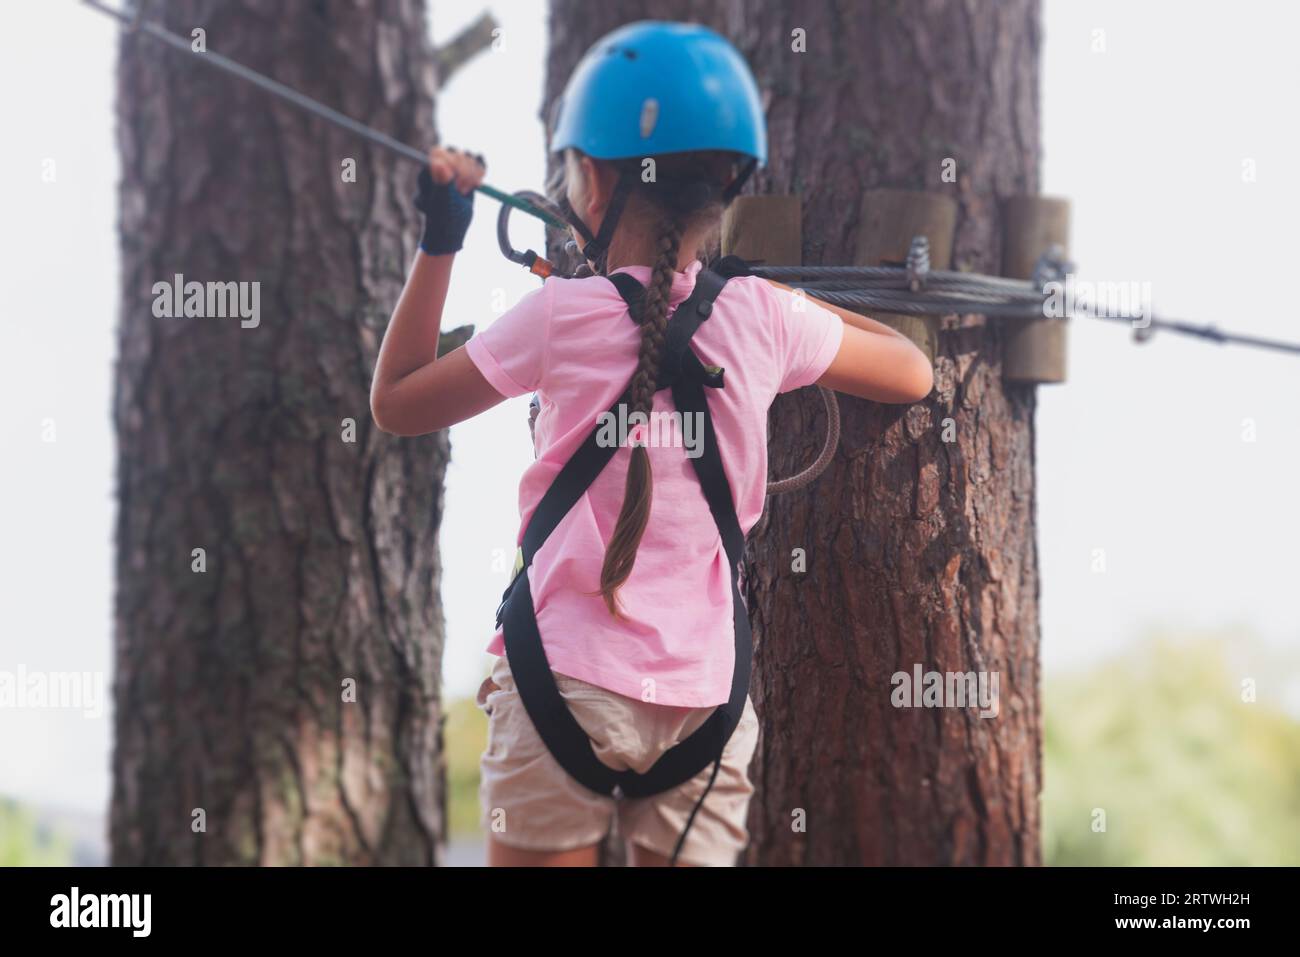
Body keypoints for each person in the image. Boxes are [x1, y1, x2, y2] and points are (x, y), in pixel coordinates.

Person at [370, 21, 933, 867]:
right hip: (703, 705)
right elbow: (913, 370)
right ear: (725, 190)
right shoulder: (762, 319)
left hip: (559, 681)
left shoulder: (556, 317)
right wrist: (774, 299)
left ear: (591, 182)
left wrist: (440, 239)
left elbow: (397, 402)